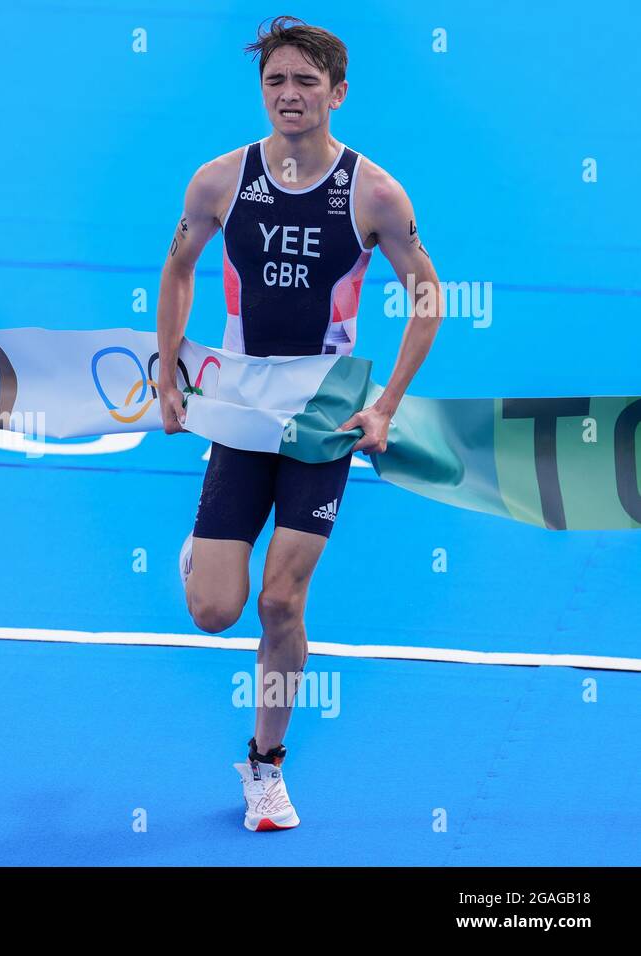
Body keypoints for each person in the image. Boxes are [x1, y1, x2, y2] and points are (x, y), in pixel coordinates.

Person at [156, 16, 442, 831]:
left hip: (323, 413)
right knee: (215, 609)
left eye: (305, 83)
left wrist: (385, 403)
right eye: (276, 82)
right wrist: (167, 366)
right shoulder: (218, 181)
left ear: (337, 94)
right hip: (241, 407)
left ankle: (265, 768)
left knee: (281, 602)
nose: (289, 95)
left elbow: (428, 294)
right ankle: (204, 553)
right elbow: (177, 268)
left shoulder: (375, 194)